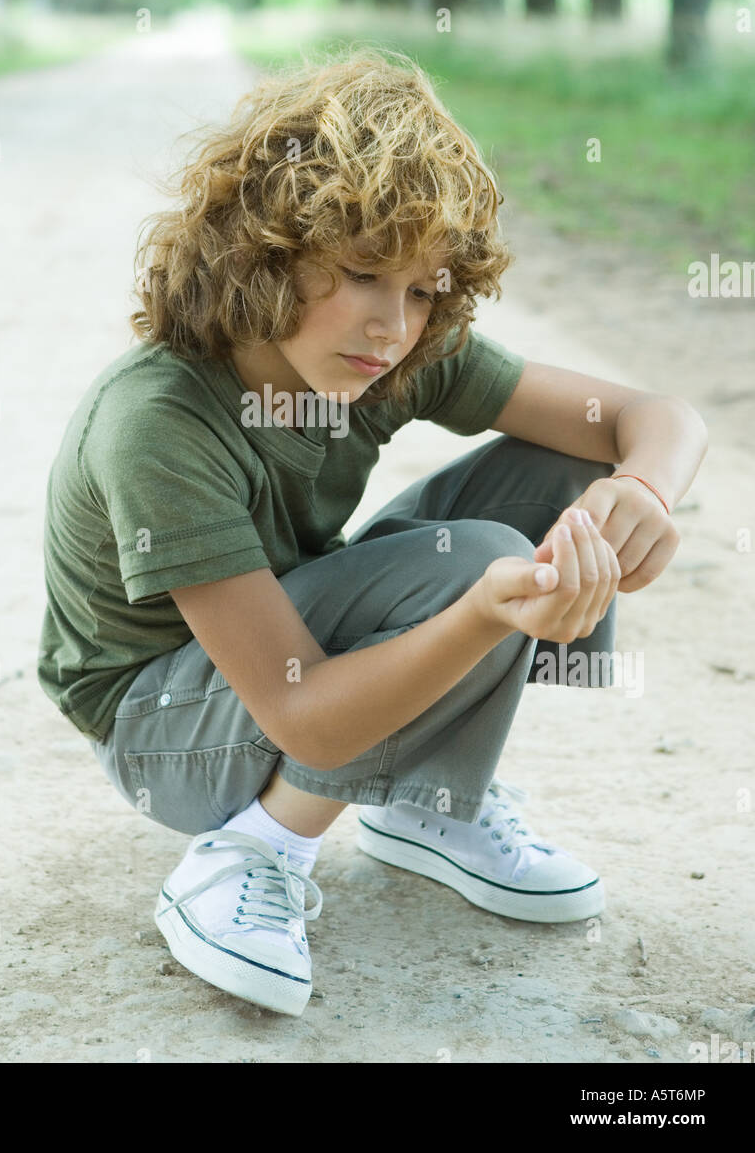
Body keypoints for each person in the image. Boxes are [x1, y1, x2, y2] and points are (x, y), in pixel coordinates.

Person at [37, 49, 706, 1018]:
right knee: (478, 564)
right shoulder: (159, 419)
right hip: (163, 732)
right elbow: (302, 717)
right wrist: (484, 612)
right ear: (258, 254)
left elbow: (652, 413)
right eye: (360, 273)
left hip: (286, 661)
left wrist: (642, 485)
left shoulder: (385, 348)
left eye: (426, 288)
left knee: (567, 468)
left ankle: (427, 796)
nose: (393, 324)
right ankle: (256, 849)